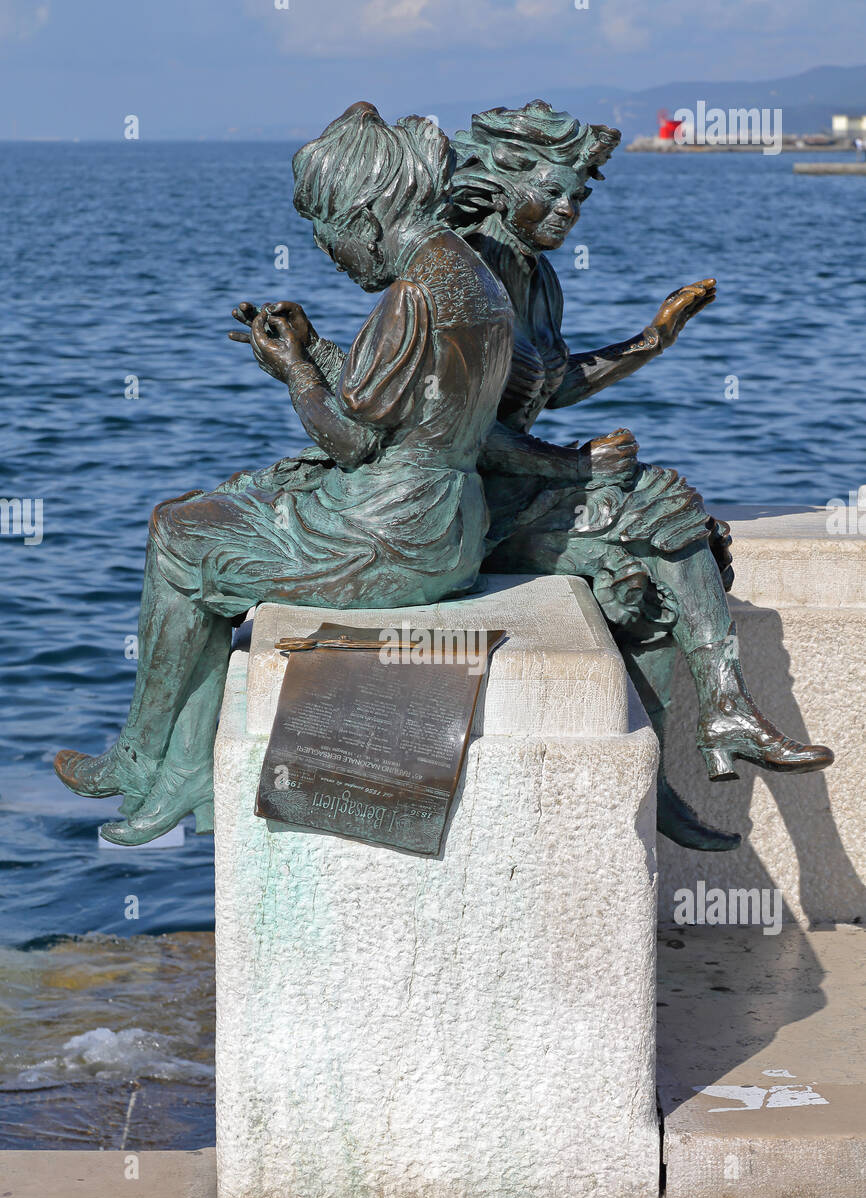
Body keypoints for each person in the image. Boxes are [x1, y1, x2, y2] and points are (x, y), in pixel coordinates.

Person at [55, 102, 514, 845]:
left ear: (364, 214)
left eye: (324, 232)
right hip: (449, 519)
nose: (327, 251)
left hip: (390, 530)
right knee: (226, 500)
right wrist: (317, 348)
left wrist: (296, 373)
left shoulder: (411, 296)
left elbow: (354, 445)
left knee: (179, 536)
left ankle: (150, 765)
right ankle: (171, 769)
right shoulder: (468, 276)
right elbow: (402, 401)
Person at [447, 101, 833, 849]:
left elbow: (548, 387)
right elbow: (449, 430)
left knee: (650, 570)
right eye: (554, 191)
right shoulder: (461, 279)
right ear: (500, 182)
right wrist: (570, 464)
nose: (568, 209)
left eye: (579, 197)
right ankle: (724, 715)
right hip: (472, 500)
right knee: (660, 510)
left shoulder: (536, 277)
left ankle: (672, 760)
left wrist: (654, 338)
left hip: (528, 484)